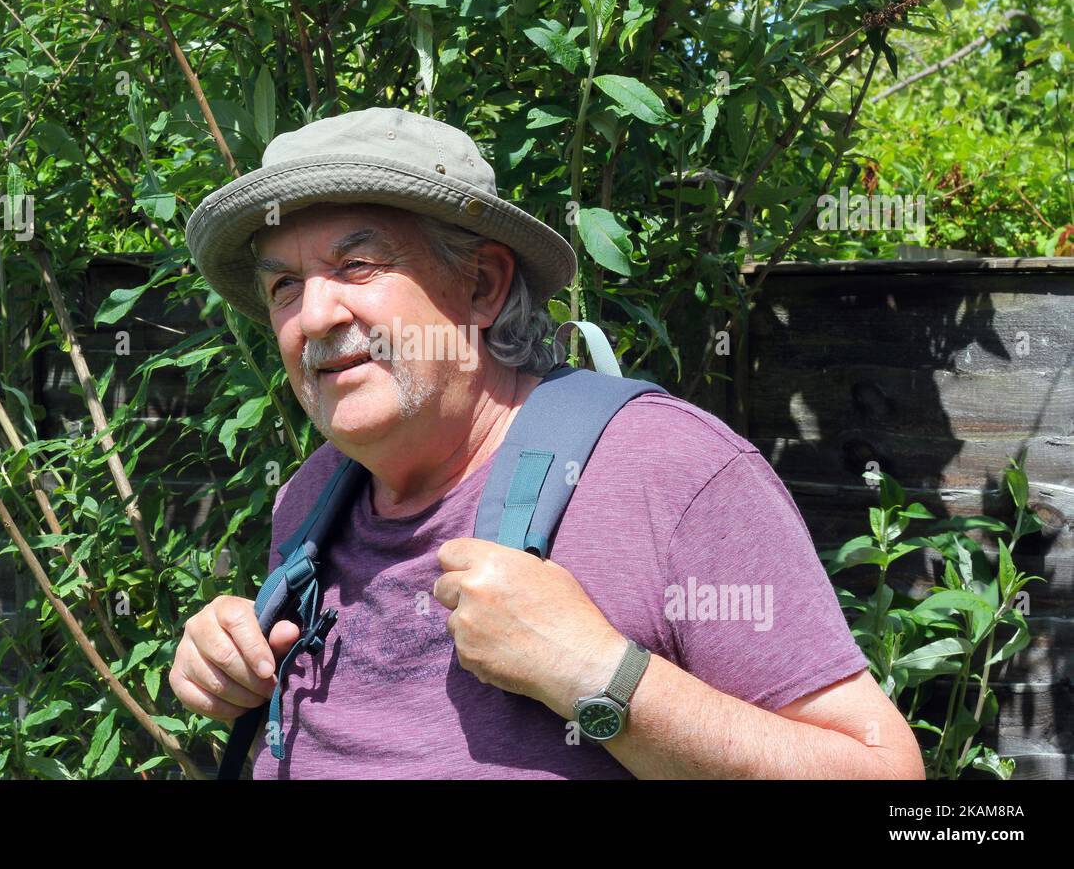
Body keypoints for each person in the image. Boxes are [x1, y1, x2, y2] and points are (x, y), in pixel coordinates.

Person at [169, 106, 924, 779]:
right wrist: (228, 667)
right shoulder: (310, 502)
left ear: (483, 285)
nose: (315, 317)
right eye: (284, 288)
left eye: (356, 266)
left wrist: (603, 677)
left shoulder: (664, 471)